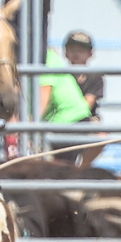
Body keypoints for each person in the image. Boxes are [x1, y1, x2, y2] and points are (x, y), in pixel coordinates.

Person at [39, 30, 105, 167]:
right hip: (61, 119)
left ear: (90, 54)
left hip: (86, 117)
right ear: (65, 52)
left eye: (81, 50)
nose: (76, 53)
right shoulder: (61, 72)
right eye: (72, 49)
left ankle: (81, 168)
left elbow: (88, 104)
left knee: (101, 137)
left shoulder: (95, 76)